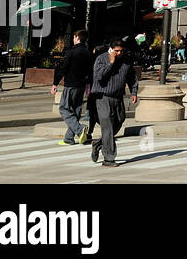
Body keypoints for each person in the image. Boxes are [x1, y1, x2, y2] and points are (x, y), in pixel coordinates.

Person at [89, 39, 139, 168]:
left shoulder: (126, 61)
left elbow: (132, 78)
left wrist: (134, 92)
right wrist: (111, 62)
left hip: (118, 97)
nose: (119, 53)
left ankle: (98, 143)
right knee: (108, 127)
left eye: (121, 51)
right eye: (116, 51)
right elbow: (99, 77)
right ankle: (109, 159)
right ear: (111, 49)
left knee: (119, 121)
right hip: (102, 97)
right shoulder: (101, 59)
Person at [52, 29, 94, 146]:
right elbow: (91, 71)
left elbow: (62, 68)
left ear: (77, 37)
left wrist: (55, 83)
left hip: (70, 84)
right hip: (82, 85)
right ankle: (69, 138)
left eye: (74, 37)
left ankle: (80, 129)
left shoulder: (71, 52)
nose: (73, 39)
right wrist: (89, 84)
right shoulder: (88, 53)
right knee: (75, 111)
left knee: (64, 109)